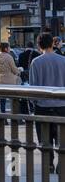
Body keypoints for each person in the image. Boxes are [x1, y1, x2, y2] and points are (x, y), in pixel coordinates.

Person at [26, 32, 65, 173]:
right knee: (62, 138)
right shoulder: (63, 60)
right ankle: (62, 164)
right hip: (62, 106)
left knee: (45, 139)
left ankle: (48, 164)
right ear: (53, 44)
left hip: (43, 106)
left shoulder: (36, 62)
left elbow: (33, 87)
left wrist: (33, 104)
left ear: (39, 45)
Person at [0, 41, 20, 113]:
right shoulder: (9, 57)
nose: (9, 48)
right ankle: (15, 115)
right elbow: (14, 69)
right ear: (5, 48)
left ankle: (3, 116)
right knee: (13, 99)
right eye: (8, 47)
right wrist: (19, 72)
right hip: (10, 81)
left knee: (2, 100)